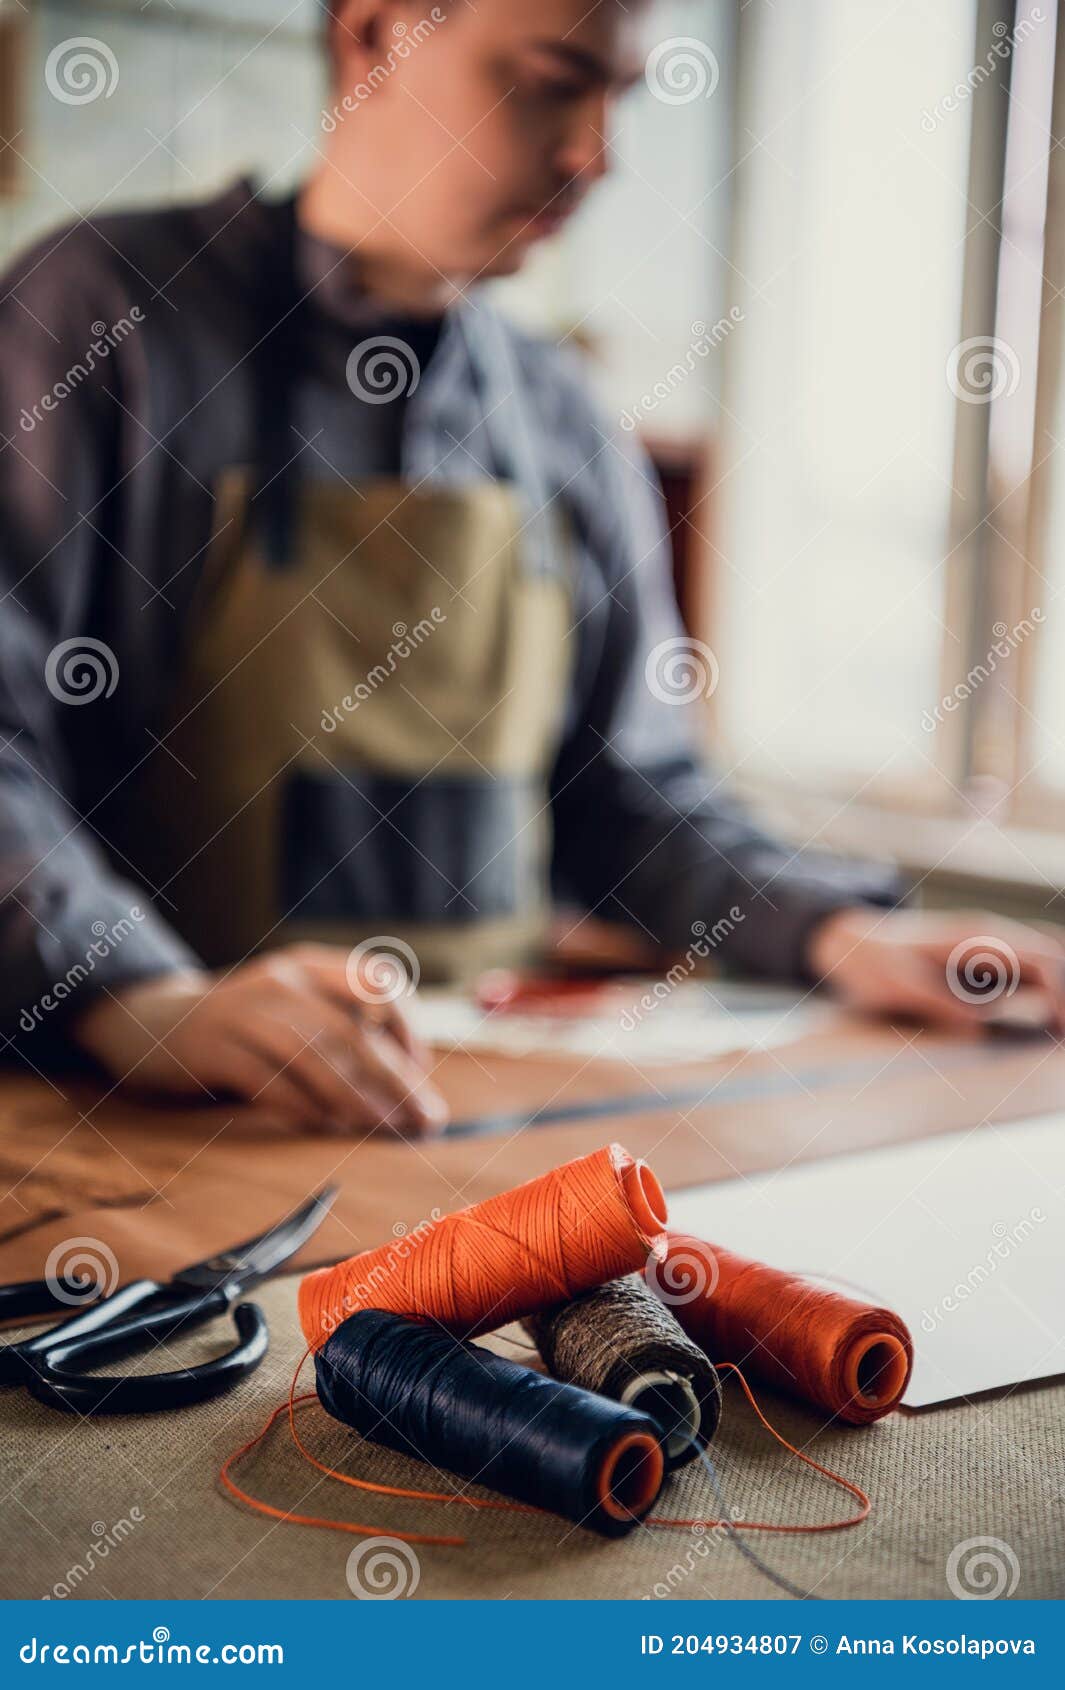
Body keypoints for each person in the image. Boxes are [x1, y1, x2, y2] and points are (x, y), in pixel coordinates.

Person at [1, 0, 1061, 1137]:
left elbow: (630, 794)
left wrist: (836, 933)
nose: (597, 155)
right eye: (555, 81)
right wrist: (139, 996)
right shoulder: (99, 316)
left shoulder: (561, 415)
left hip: (458, 1124)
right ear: (374, 34)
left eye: (622, 97)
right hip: (142, 1129)